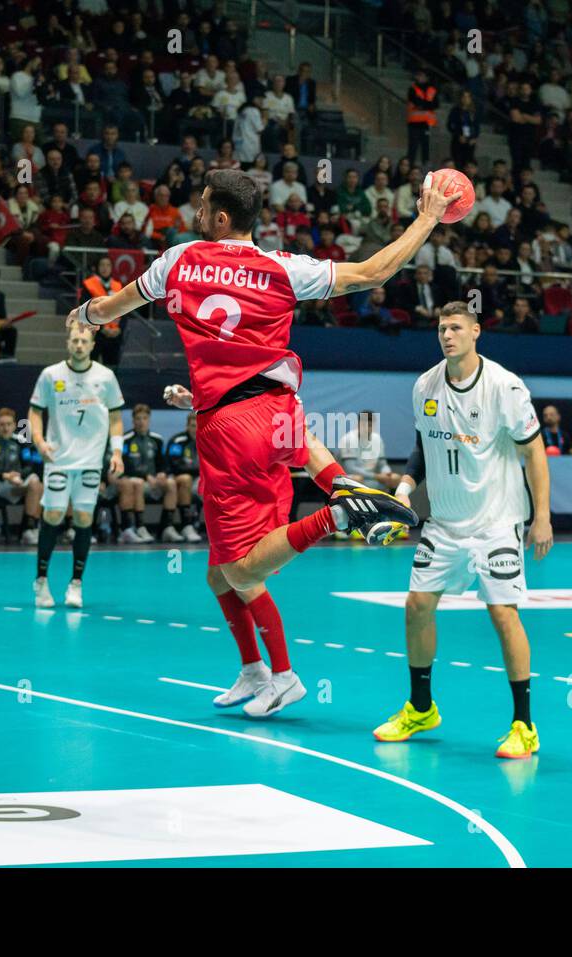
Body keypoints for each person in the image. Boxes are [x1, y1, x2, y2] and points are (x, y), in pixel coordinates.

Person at [70, 168, 456, 717]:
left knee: (243, 570)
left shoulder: (177, 260)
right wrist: (428, 217)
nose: (195, 211)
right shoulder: (284, 268)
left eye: (202, 204)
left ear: (220, 218)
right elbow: (377, 270)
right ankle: (256, 669)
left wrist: (83, 313)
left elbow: (108, 310)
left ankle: (334, 528)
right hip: (273, 411)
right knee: (217, 571)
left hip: (232, 432)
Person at [373, 302, 553, 757]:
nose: (447, 335)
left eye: (456, 327)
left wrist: (542, 517)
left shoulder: (504, 387)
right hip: (445, 523)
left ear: (476, 331)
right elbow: (423, 444)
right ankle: (420, 707)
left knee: (502, 613)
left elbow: (534, 454)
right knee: (416, 606)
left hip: (496, 520)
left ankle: (523, 725)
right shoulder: (425, 385)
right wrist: (405, 486)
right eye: (440, 328)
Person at [28, 326, 125, 609]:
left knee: (83, 519)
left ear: (93, 344)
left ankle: (76, 583)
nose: (79, 345)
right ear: (67, 343)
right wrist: (39, 441)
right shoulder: (51, 375)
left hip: (91, 461)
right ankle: (42, 580)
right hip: (58, 458)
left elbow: (116, 416)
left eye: (84, 341)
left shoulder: (105, 377)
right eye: (75, 340)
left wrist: (117, 451)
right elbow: (35, 410)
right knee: (54, 514)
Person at [0, 407, 42, 547]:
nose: (5, 428)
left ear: (14, 425)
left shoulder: (21, 441)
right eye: (2, 425)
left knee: (35, 483)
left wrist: (19, 476)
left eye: (8, 424)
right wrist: (4, 476)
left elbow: (29, 465)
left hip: (14, 484)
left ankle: (28, 530)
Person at [117, 403, 186, 543]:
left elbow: (163, 464)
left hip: (154, 482)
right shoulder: (125, 440)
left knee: (171, 483)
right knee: (139, 483)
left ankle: (167, 527)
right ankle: (140, 527)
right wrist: (145, 476)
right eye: (138, 418)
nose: (141, 422)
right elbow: (123, 466)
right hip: (135, 482)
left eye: (144, 418)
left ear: (149, 420)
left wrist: (162, 474)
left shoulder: (157, 439)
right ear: (133, 420)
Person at [165, 411, 203, 541]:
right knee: (186, 479)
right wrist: (198, 469)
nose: (195, 429)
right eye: (193, 425)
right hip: (178, 478)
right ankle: (187, 525)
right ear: (187, 426)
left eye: (198, 425)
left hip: (200, 479)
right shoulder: (177, 441)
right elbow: (175, 465)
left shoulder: (207, 439)